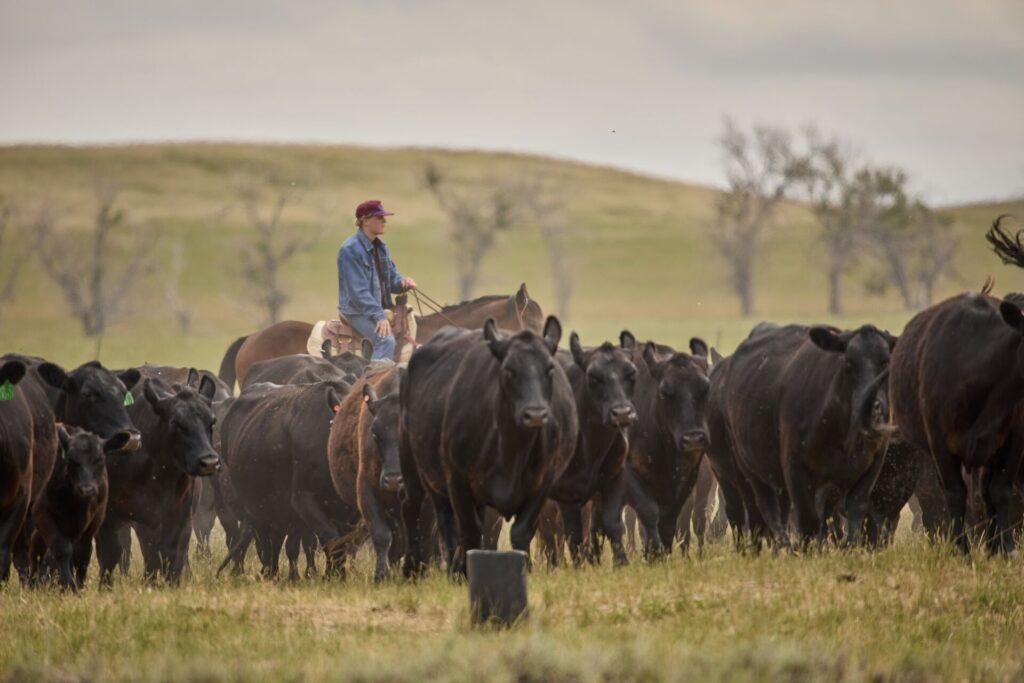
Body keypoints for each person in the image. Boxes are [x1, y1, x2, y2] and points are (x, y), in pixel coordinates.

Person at [337, 200, 416, 361]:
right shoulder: (350, 250)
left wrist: (403, 282)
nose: (384, 221)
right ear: (365, 220)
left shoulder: (382, 248)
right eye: (379, 217)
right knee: (385, 340)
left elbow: (391, 278)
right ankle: (374, 376)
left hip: (377, 308)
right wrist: (380, 316)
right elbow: (358, 293)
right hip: (358, 310)